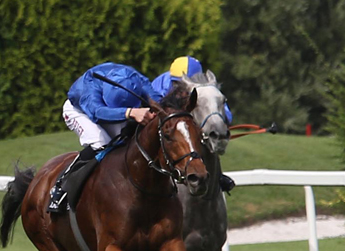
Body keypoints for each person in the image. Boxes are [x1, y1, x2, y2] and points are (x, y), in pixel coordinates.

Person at [47, 62, 155, 213]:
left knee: (129, 142)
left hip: (117, 109)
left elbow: (157, 99)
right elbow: (97, 113)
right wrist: (130, 112)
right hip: (81, 111)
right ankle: (60, 187)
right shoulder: (89, 91)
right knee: (100, 143)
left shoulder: (136, 80)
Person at [152, 55, 235, 193]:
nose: (180, 89)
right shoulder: (161, 84)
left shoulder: (206, 90)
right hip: (164, 128)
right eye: (177, 83)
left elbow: (227, 115)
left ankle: (218, 176)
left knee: (207, 137)